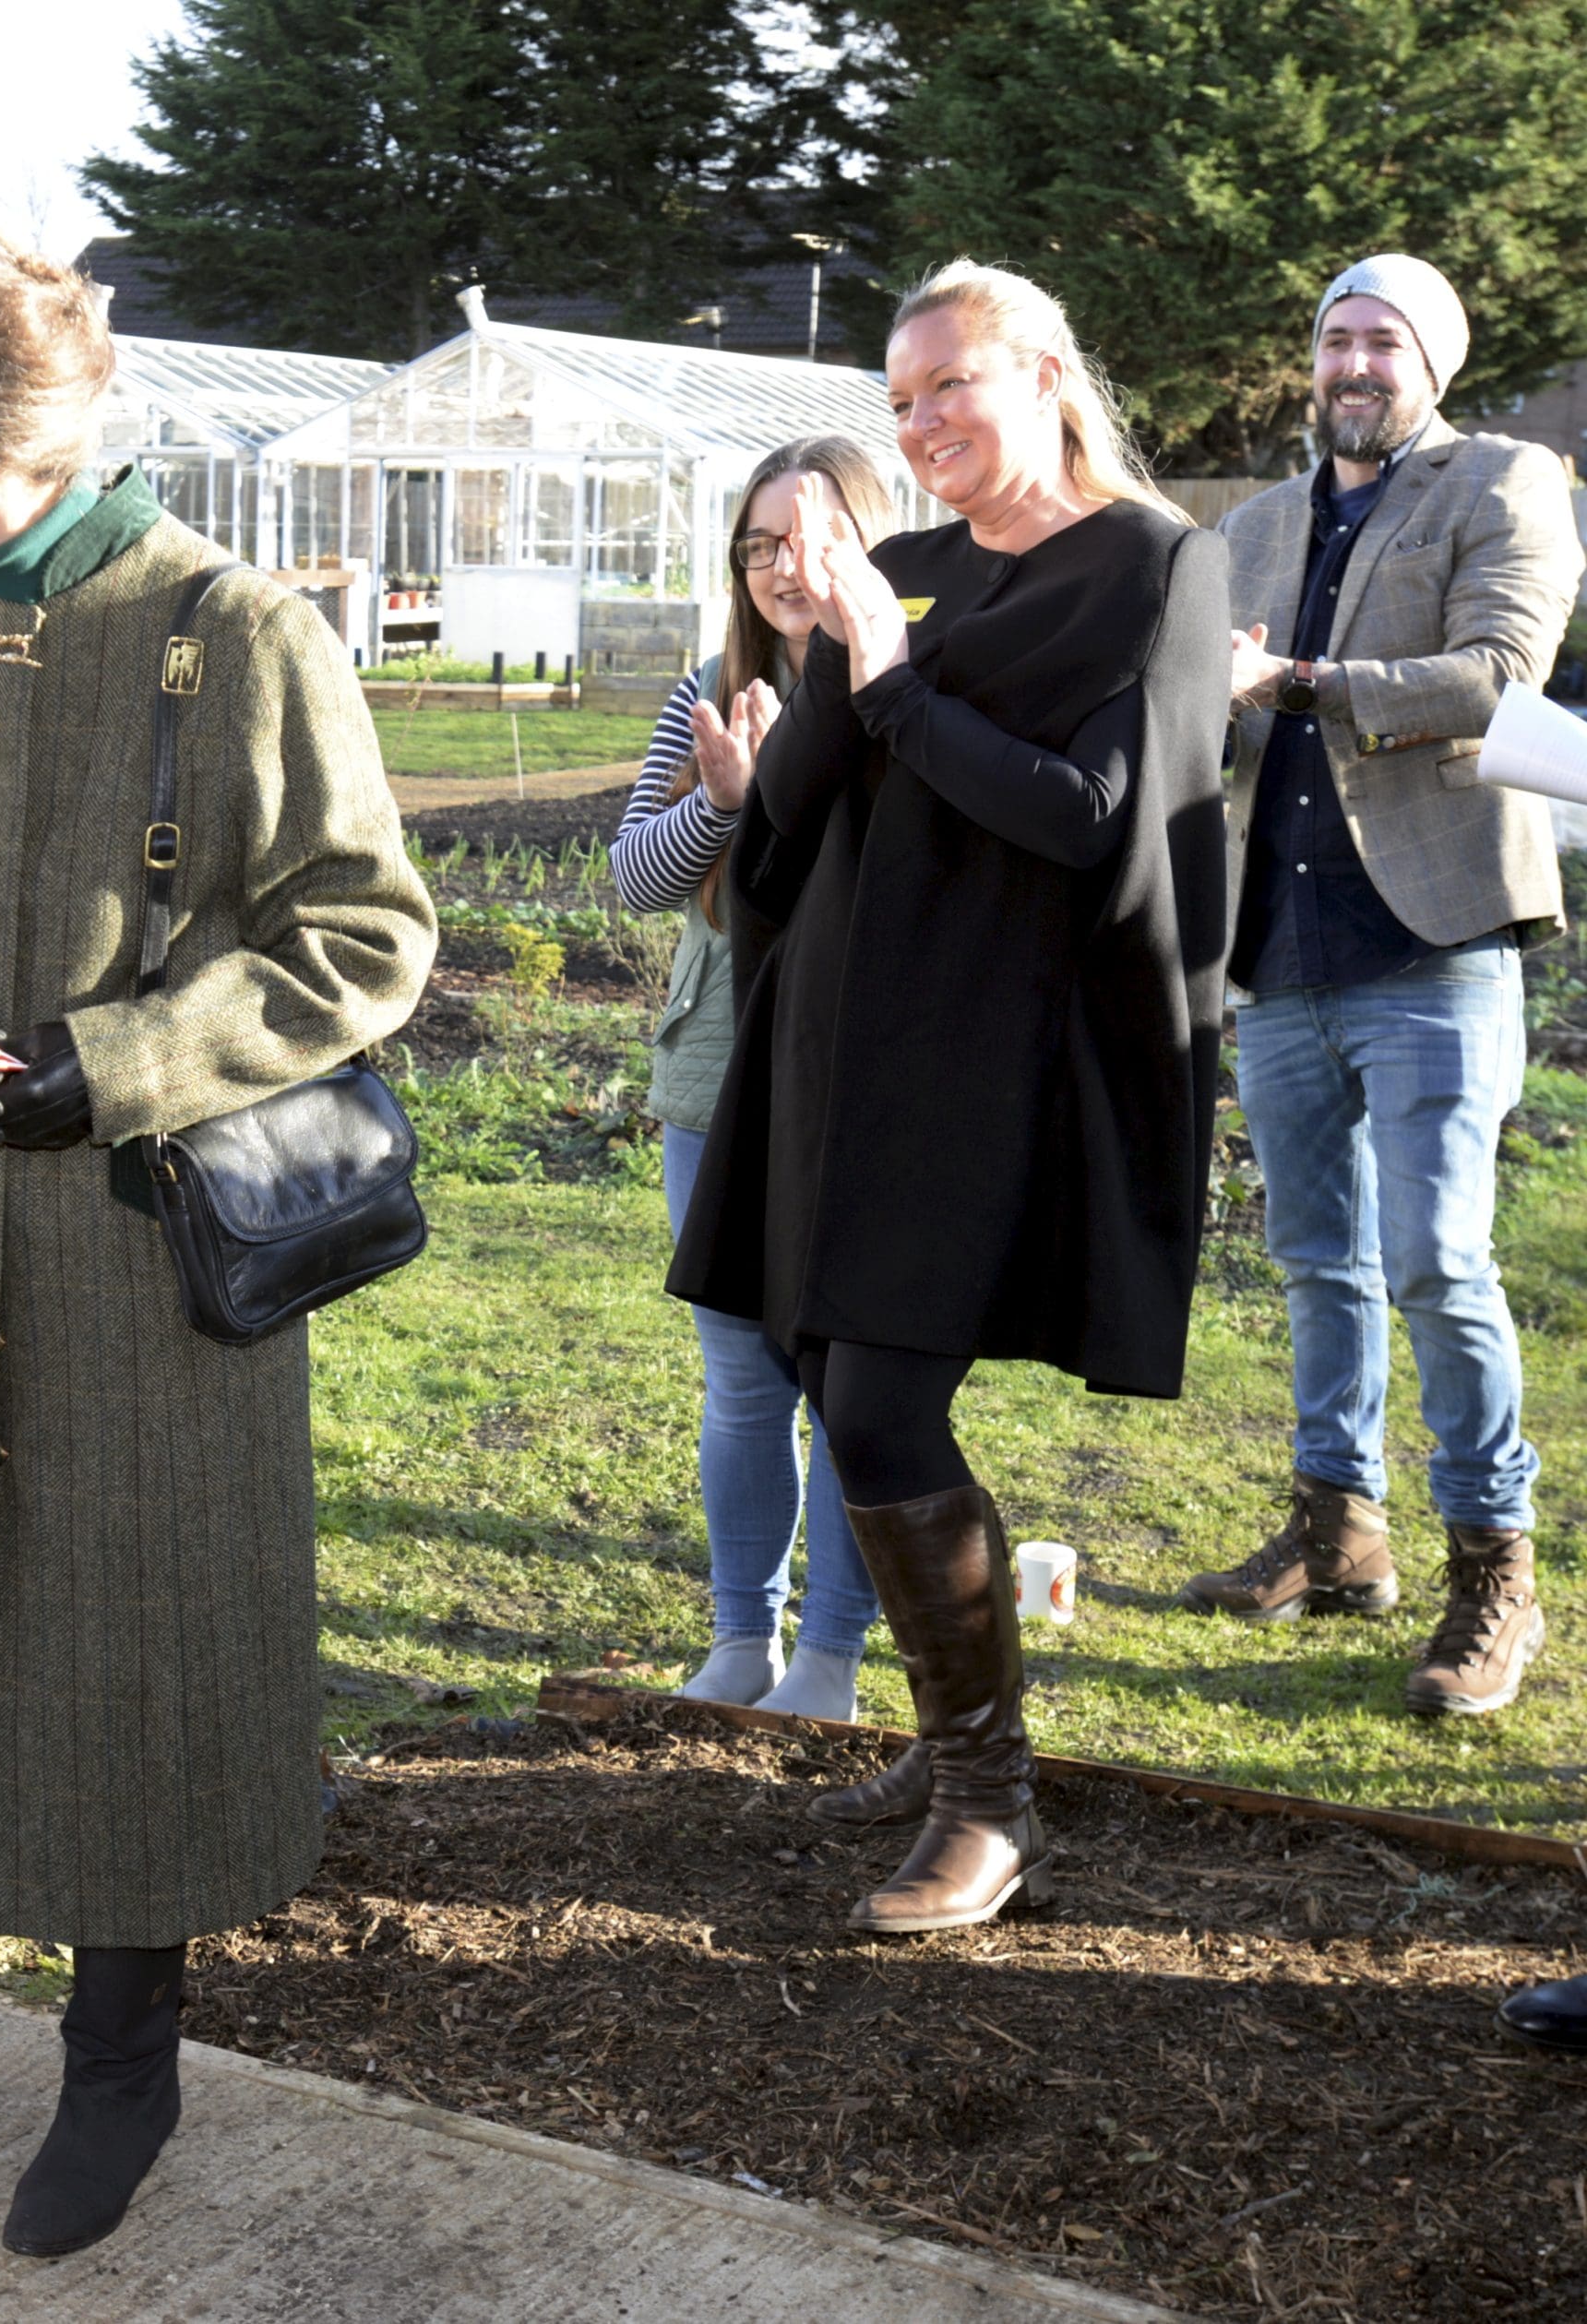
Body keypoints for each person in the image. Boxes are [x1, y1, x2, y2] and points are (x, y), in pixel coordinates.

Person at [0, 213, 436, 2258]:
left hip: (154, 1249)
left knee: (131, 1648)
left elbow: (369, 936)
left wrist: (108, 1063)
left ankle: (122, 2071)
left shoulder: (236, 634)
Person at [669, 259, 1232, 1934]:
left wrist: (895, 678)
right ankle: (950, 1739)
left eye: (946, 390)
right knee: (837, 1377)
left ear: (1044, 373)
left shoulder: (1155, 566)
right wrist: (813, 702)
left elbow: (1093, 821)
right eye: (897, 404)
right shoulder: (899, 568)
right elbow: (796, 826)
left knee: (886, 1399)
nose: (916, 428)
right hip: (838, 1039)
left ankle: (991, 1802)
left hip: (992, 1062)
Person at [1179, 256, 1581, 1728]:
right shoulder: (1259, 522)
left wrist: (1292, 680)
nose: (1353, 362)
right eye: (1334, 339)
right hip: (1276, 951)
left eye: (1382, 341)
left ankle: (1495, 1565)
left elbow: (1499, 674)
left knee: (1439, 1262)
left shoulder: (1503, 480)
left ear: (1434, 361)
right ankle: (1338, 1530)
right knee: (1317, 1263)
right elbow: (1188, 705)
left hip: (1434, 940)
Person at [612, 436, 893, 1722]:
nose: (786, 566)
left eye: (813, 535)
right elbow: (637, 877)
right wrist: (725, 801)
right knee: (740, 1378)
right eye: (759, 544)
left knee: (848, 1380)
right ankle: (743, 1641)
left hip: (865, 1069)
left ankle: (832, 1656)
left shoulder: (913, 686)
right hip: (719, 1068)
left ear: (871, 539)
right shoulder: (706, 689)